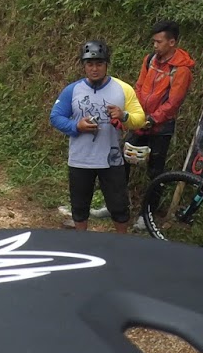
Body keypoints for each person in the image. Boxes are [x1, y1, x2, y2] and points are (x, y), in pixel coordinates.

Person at [49, 40, 147, 233]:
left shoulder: (123, 89)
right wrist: (76, 126)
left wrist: (123, 115)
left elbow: (140, 119)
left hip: (111, 160)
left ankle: (121, 243)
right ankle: (81, 242)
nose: (94, 69)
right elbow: (56, 117)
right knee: (79, 207)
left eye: (99, 64)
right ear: (83, 65)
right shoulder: (72, 90)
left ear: (106, 64)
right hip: (80, 159)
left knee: (119, 207)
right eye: (90, 64)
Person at [133, 20, 195, 185]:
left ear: (172, 42)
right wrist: (137, 111)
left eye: (159, 42)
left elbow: (173, 103)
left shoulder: (181, 70)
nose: (155, 45)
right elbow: (139, 86)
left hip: (160, 127)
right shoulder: (150, 60)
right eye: (153, 41)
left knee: (155, 171)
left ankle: (152, 201)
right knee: (123, 156)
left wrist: (153, 119)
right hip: (140, 120)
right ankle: (119, 198)